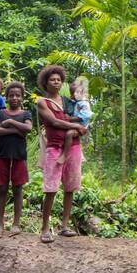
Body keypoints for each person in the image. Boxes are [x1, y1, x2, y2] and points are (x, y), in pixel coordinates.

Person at [34, 64, 87, 243]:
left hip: (74, 146)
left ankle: (64, 226)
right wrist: (75, 126)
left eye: (58, 79)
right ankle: (45, 228)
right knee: (50, 188)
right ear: (45, 82)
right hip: (54, 147)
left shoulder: (68, 101)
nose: (56, 82)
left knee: (70, 187)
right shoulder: (43, 102)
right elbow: (54, 122)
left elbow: (81, 115)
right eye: (52, 79)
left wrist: (81, 124)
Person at [0, 82, 32, 235]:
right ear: (6, 97)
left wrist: (10, 123)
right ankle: (0, 224)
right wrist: (17, 131)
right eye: (11, 95)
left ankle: (16, 224)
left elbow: (28, 128)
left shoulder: (26, 114)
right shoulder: (0, 113)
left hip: (19, 156)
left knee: (18, 189)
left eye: (18, 95)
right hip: (2, 155)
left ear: (22, 97)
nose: (14, 98)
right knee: (1, 189)